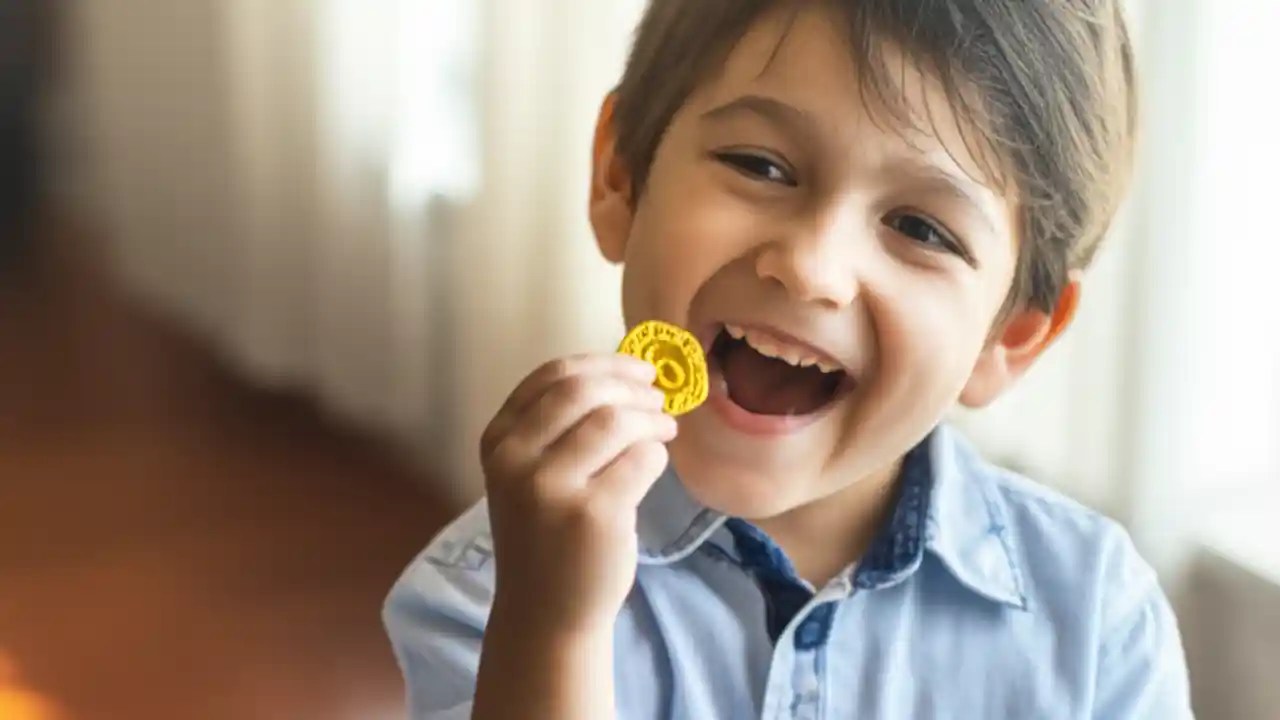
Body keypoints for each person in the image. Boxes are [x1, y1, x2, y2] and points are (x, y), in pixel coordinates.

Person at [385, 1, 1193, 717]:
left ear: (1009, 338)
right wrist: (553, 629)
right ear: (621, 179)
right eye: (760, 166)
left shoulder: (1095, 618)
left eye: (920, 229)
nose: (811, 265)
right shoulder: (495, 592)